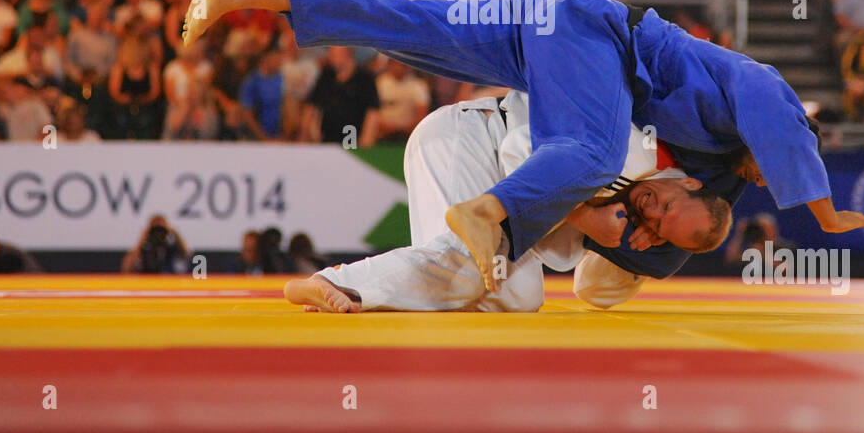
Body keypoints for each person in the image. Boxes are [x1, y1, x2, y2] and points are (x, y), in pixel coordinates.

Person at [184, 0, 864, 293]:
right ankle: (488, 209)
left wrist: (632, 254)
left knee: (410, 25)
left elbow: (685, 226)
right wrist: (824, 209)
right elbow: (781, 122)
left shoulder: (712, 157)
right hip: (593, 33)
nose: (764, 177)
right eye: (775, 169)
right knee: (591, 152)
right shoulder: (762, 93)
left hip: (545, 27)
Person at [285, 90, 741, 313]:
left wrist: (619, 244)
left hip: (488, 172)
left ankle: (398, 293)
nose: (653, 214)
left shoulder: (639, 204)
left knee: (518, 297)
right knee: (467, 269)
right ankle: (338, 282)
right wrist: (585, 218)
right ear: (691, 183)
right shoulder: (631, 149)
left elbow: (584, 281)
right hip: (468, 140)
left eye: (661, 229)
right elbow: (518, 152)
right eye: (666, 208)